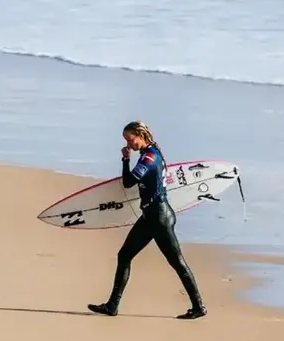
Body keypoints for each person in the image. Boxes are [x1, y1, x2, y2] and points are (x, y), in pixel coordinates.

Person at [88, 121, 206, 320]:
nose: (128, 143)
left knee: (177, 262)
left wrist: (125, 160)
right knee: (124, 255)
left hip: (159, 219)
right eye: (126, 140)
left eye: (130, 139)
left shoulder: (149, 158)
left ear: (140, 135)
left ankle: (199, 307)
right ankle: (112, 305)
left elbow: (128, 183)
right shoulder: (150, 153)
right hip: (151, 216)